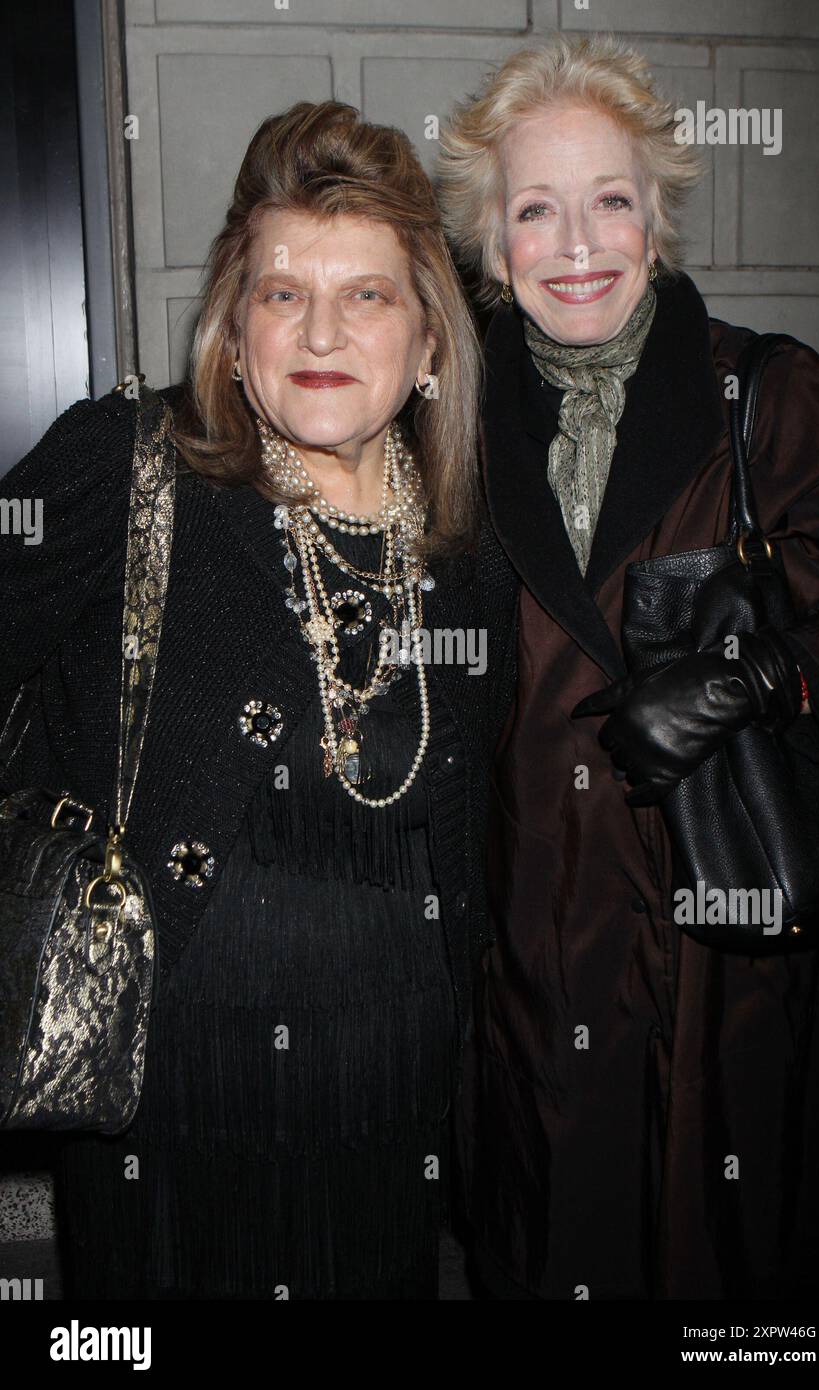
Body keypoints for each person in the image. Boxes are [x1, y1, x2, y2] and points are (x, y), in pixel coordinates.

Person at [0, 100, 518, 1299]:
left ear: (431, 343)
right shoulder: (130, 472)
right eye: (282, 292)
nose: (320, 328)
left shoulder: (478, 551)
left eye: (368, 295)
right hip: (168, 1107)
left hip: (391, 1110)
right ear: (234, 333)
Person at [437, 33, 819, 1299]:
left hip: (720, 984)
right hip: (523, 976)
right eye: (535, 209)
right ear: (492, 243)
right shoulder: (452, 427)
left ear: (655, 219)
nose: (575, 244)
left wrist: (758, 676)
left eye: (608, 201)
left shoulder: (768, 400)